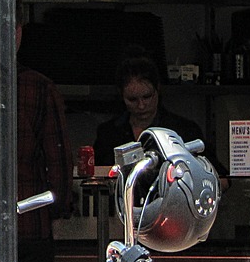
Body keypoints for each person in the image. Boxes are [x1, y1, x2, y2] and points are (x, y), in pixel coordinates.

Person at [93, 50, 227, 181]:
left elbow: (221, 178)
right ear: (121, 95)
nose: (141, 105)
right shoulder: (108, 134)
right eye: (132, 99)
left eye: (147, 97)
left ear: (158, 89)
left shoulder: (184, 130)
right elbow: (94, 179)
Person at [15, 0, 73, 262]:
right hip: (30, 225)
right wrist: (58, 209)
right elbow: (59, 162)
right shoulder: (39, 88)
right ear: (17, 33)